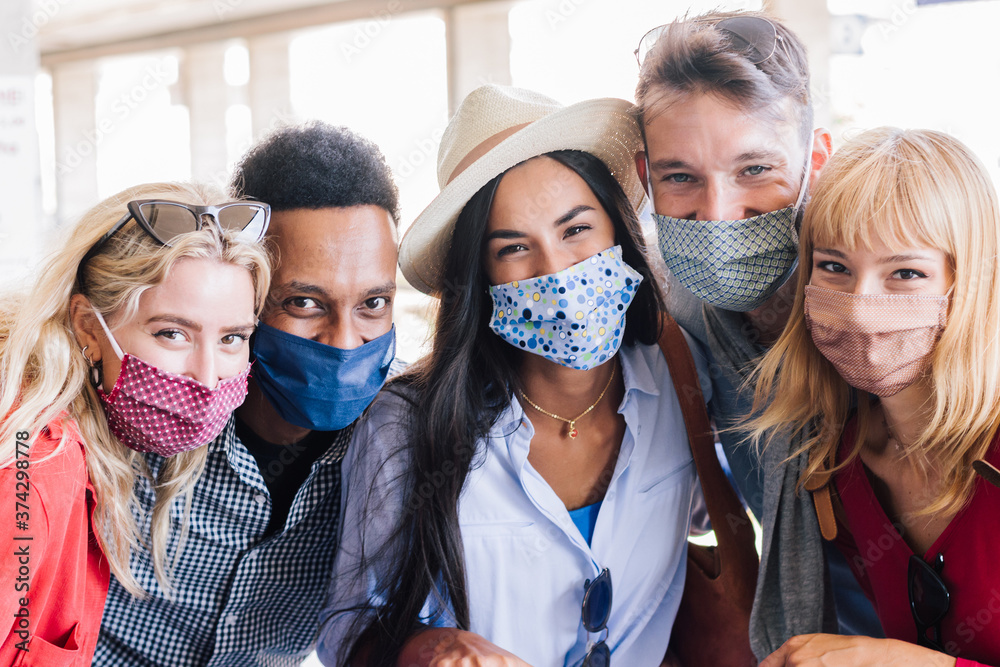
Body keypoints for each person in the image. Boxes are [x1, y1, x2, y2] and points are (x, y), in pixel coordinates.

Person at [317, 84, 712, 667]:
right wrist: (434, 649)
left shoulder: (683, 376)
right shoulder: (406, 424)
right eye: (513, 249)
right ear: (480, 278)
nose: (557, 274)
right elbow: (349, 632)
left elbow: (727, 514)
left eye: (575, 230)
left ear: (618, 230)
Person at [94, 122, 402, 667]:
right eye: (304, 303)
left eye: (372, 305)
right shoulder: (148, 398)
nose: (343, 341)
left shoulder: (401, 437)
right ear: (247, 285)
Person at [630, 10, 883, 651]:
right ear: (644, 176)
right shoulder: (673, 306)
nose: (718, 215)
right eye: (680, 177)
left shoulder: (884, 307)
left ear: (814, 161)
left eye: (754, 170)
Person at [750, 127, 1000, 666]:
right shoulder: (837, 461)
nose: (861, 307)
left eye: (906, 272)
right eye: (834, 267)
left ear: (969, 284)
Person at [0, 182, 270, 664]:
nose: (207, 377)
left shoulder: (83, 445)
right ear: (88, 327)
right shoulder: (37, 467)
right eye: (172, 333)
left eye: (232, 338)